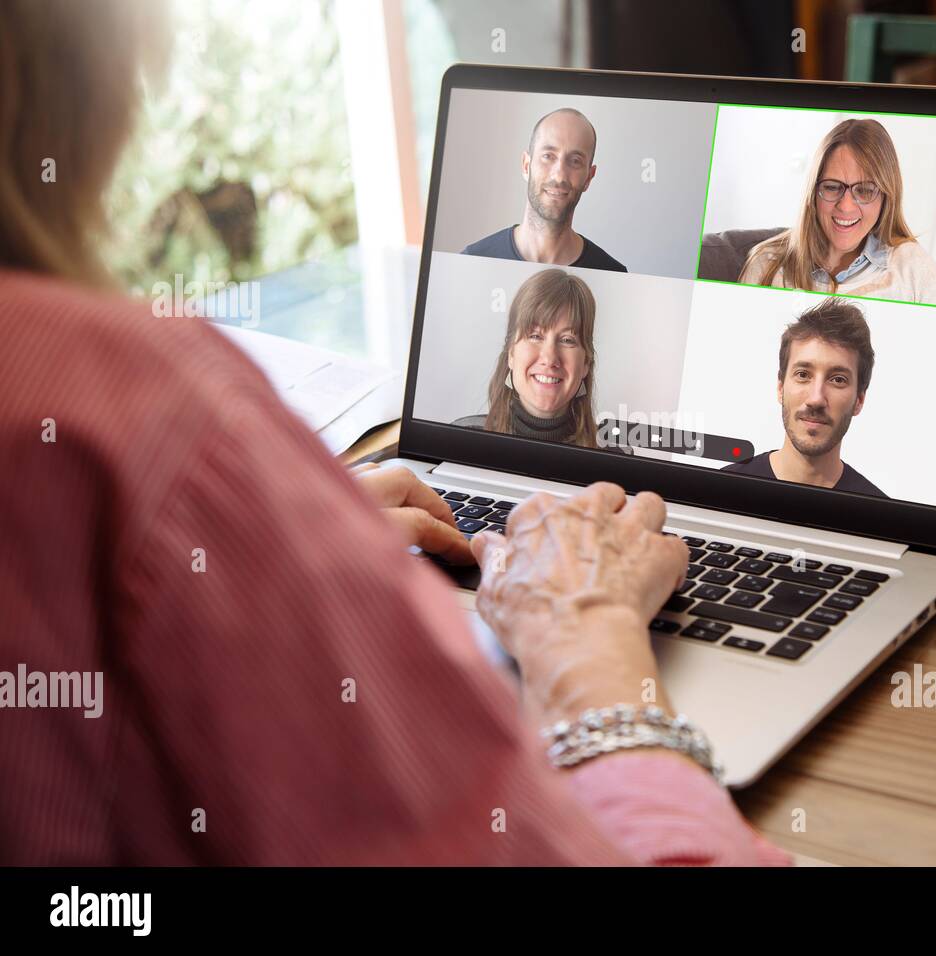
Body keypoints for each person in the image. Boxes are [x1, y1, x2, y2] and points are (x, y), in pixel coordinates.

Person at [0, 0, 788, 866]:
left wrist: (265, 560)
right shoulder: (147, 419)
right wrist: (591, 642)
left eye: (572, 339)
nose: (551, 356)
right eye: (534, 333)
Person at [739, 118, 936, 306]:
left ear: (887, 197)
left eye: (864, 190)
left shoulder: (912, 268)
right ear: (813, 192)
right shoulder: (767, 265)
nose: (845, 206)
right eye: (832, 187)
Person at [724, 298, 887, 496]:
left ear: (859, 400)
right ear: (780, 387)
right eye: (803, 375)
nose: (816, 399)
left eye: (837, 380)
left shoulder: (880, 518)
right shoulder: (721, 491)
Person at [461, 108, 627, 273]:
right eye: (548, 156)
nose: (559, 175)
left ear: (589, 178)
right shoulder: (472, 263)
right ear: (526, 166)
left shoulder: (613, 276)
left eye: (575, 161)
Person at [452, 269, 599, 447]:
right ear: (511, 353)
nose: (550, 358)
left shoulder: (612, 461)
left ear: (585, 363)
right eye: (535, 336)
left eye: (567, 340)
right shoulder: (460, 441)